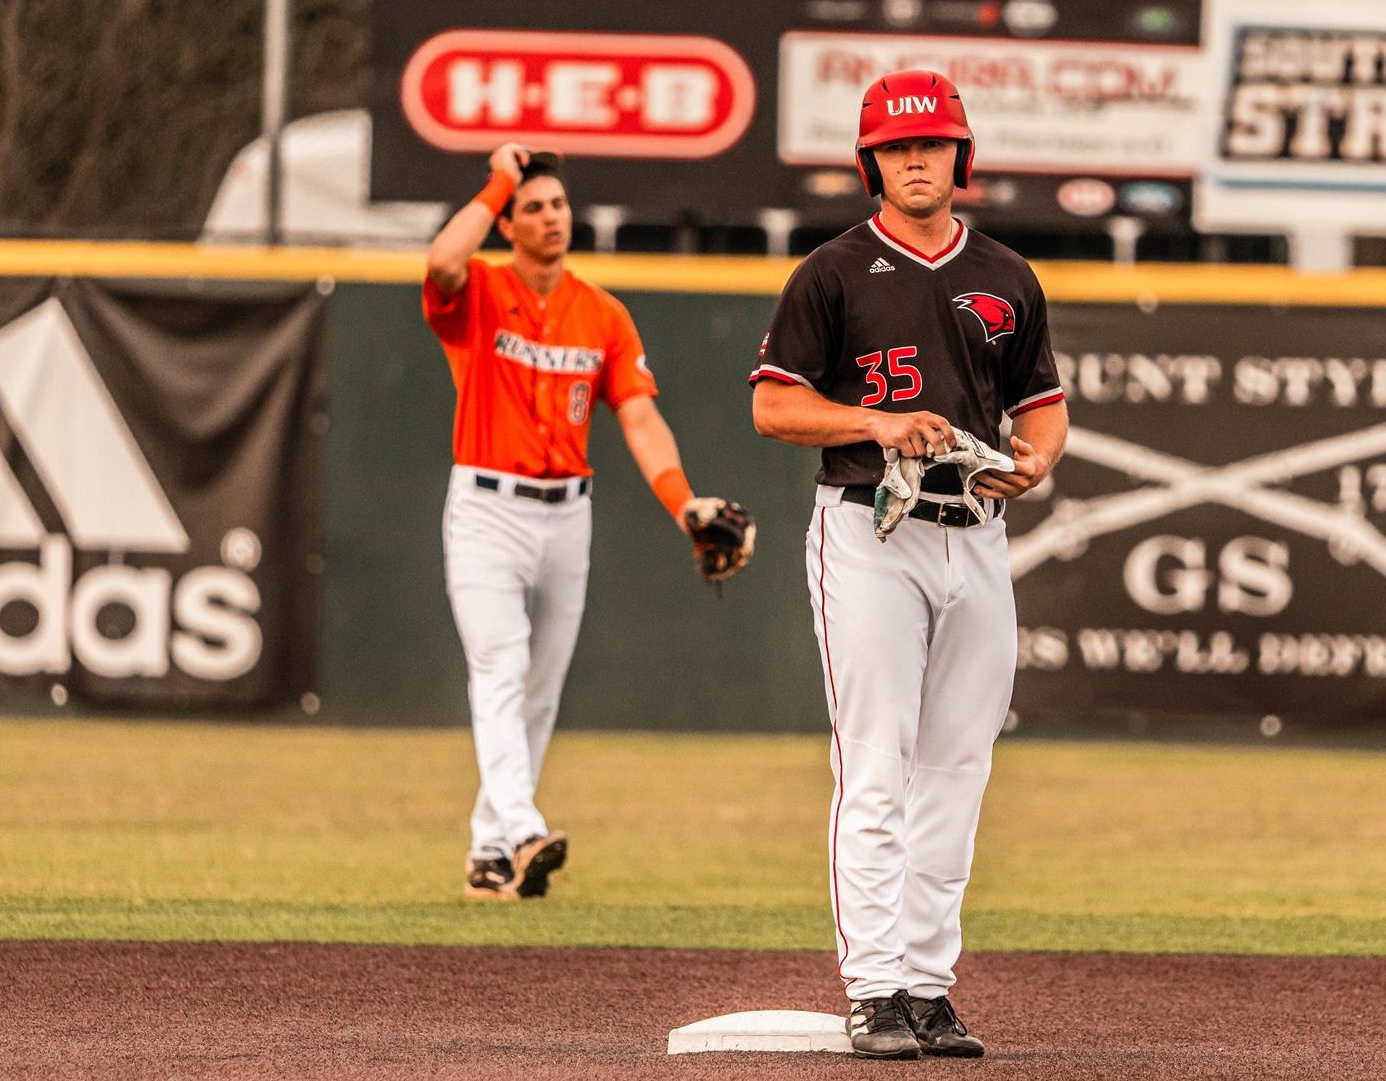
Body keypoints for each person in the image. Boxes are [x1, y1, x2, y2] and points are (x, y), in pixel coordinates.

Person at [749, 70, 1068, 1059]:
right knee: (876, 761)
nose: (917, 157)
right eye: (898, 145)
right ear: (872, 161)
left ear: (960, 156)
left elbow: (1042, 407)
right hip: (869, 533)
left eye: (932, 142)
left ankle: (929, 986)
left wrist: (1035, 463)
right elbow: (772, 405)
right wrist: (876, 422)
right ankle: (874, 986)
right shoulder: (833, 271)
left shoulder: (1007, 274)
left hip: (976, 531)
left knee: (959, 767)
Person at [424, 144, 725, 900]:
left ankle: (491, 852)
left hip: (567, 515)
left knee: (540, 691)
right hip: (487, 510)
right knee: (501, 669)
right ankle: (524, 829)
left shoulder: (602, 313)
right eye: (532, 207)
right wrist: (499, 181)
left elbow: (640, 417)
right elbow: (442, 260)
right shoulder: (480, 291)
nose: (551, 216)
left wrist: (683, 501)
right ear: (507, 223)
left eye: (557, 203)